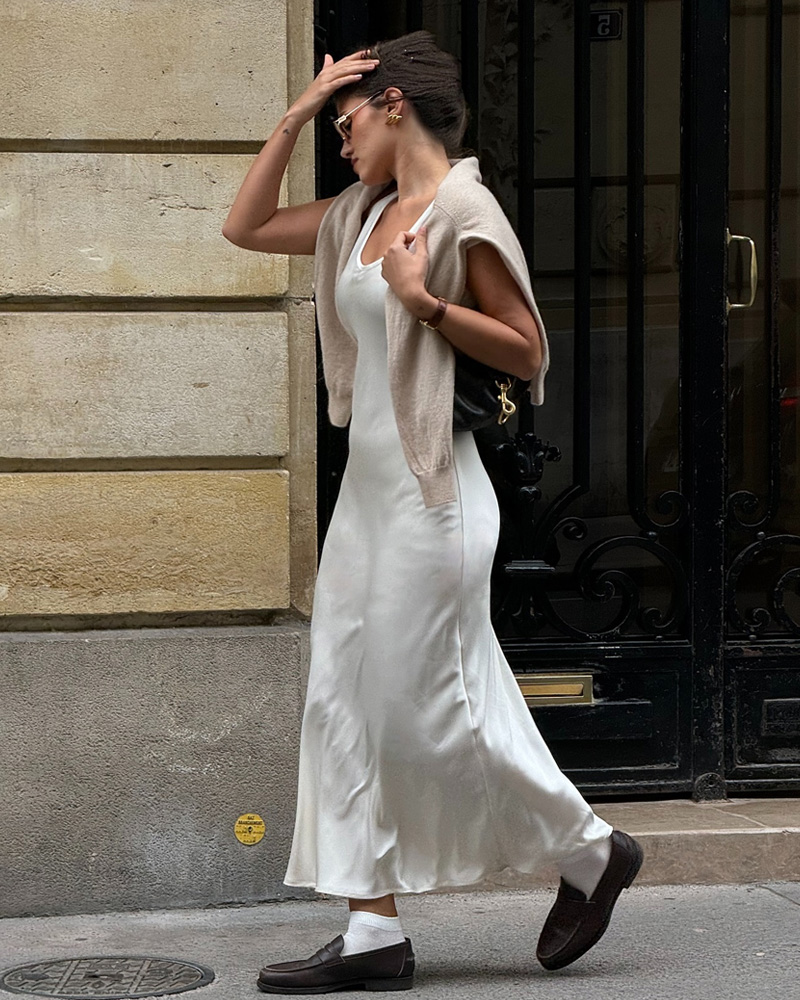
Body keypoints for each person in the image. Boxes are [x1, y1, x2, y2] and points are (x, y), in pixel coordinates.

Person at [222, 30, 643, 995]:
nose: (341, 138)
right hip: (367, 503)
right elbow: (245, 227)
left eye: (347, 118)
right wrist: (294, 110)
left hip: (435, 501)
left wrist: (425, 304)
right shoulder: (360, 213)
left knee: (425, 712)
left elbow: (529, 354)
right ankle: (372, 930)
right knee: (340, 700)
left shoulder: (462, 209)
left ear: (397, 103)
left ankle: (587, 849)